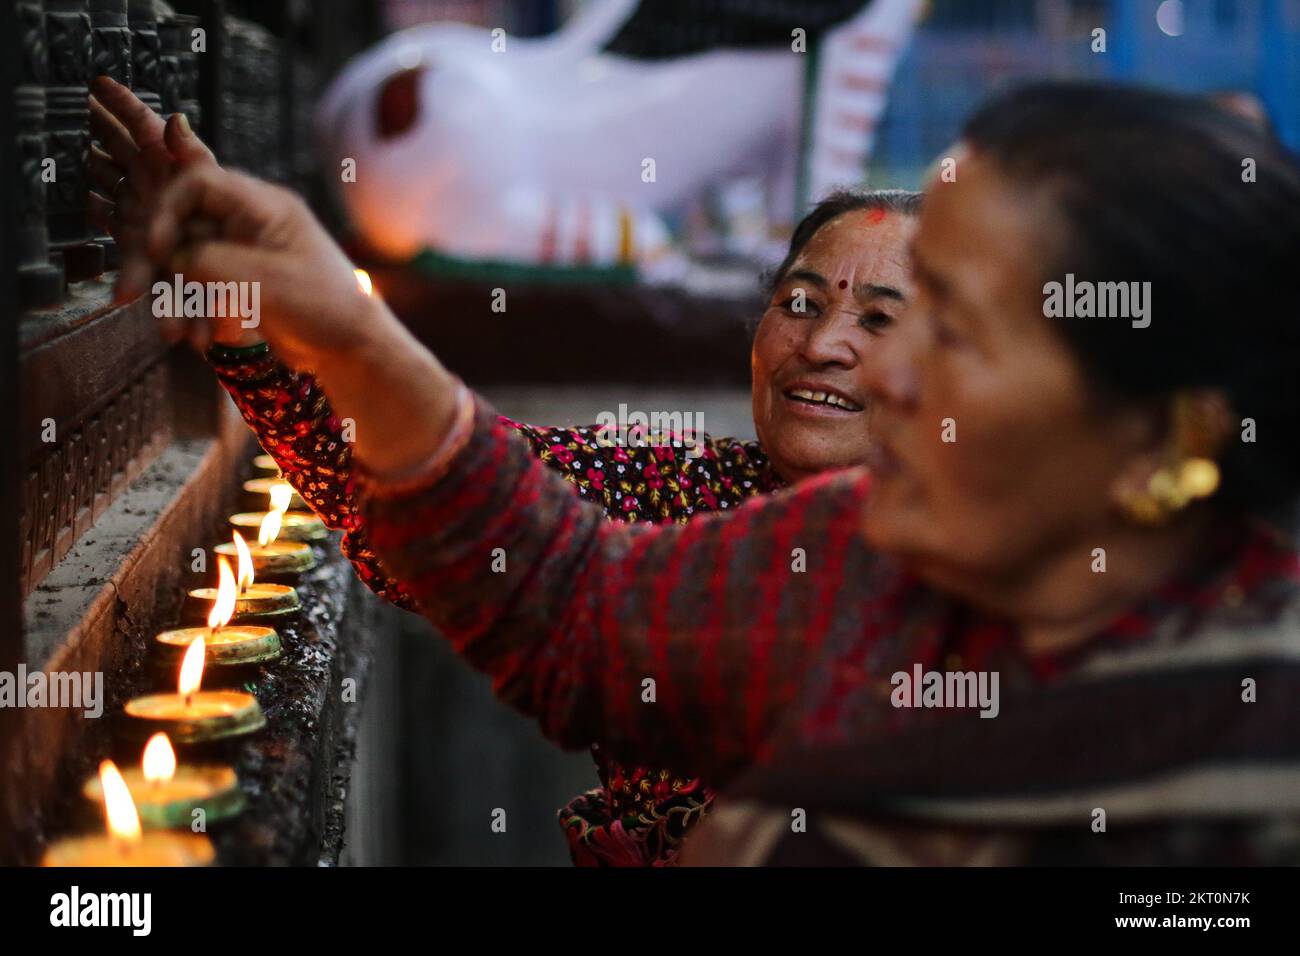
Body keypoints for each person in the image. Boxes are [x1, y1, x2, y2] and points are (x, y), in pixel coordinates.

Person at [112, 80, 1300, 865]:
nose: (865, 365)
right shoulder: (839, 555)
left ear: (1162, 441)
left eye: (944, 328)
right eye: (801, 302)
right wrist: (339, 337)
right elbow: (563, 601)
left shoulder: (1252, 752)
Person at [88, 75, 918, 865]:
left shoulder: (969, 589)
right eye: (800, 303)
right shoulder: (685, 495)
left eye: (880, 320)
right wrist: (251, 321)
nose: (821, 344)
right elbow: (437, 499)